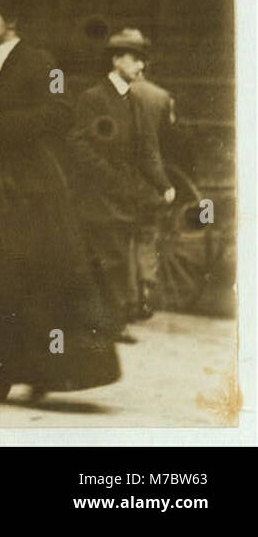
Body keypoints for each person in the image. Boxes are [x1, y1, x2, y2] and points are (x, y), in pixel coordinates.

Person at [0, 0, 120, 403]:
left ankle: (47, 371)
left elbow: (62, 112)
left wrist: (2, 124)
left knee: (36, 278)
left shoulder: (42, 62)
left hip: (34, 187)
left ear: (10, 21)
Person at [67, 29, 175, 341]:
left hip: (121, 196)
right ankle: (103, 325)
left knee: (114, 260)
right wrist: (108, 176)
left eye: (143, 59)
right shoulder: (93, 98)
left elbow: (146, 150)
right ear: (116, 60)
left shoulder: (133, 101)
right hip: (96, 196)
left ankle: (109, 323)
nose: (141, 65)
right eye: (135, 58)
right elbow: (77, 145)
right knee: (105, 260)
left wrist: (163, 184)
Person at [128, 69, 183, 320]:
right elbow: (171, 140)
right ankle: (146, 295)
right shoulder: (162, 97)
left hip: (126, 177)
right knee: (147, 235)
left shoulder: (121, 94)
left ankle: (130, 298)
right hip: (153, 177)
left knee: (127, 237)